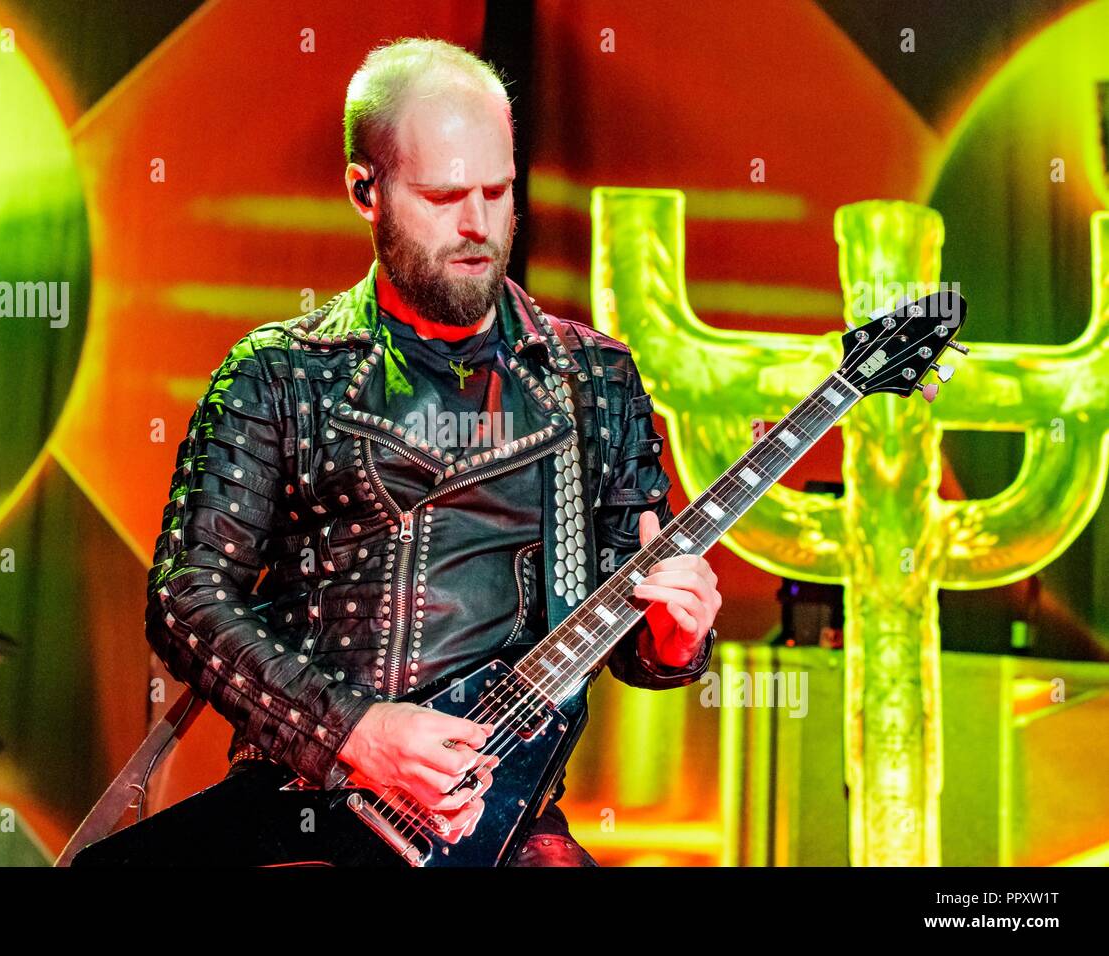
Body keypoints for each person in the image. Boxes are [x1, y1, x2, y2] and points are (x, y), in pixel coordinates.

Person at [145, 37, 720, 867]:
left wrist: (675, 638)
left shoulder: (592, 379)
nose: (479, 225)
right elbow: (186, 597)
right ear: (364, 190)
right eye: (445, 195)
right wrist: (355, 732)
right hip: (304, 805)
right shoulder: (282, 374)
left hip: (502, 826)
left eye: (498, 190)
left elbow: (637, 642)